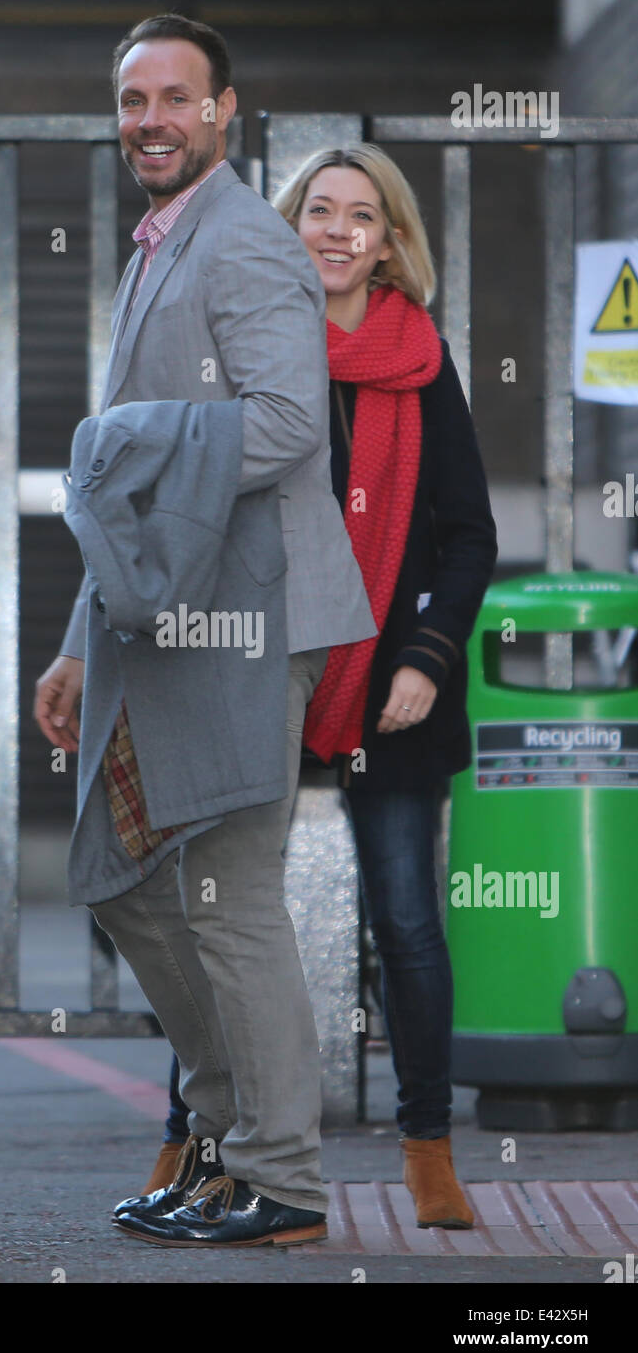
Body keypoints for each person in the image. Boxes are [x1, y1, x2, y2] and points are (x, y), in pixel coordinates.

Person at [33, 18, 375, 1249]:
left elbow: (287, 424)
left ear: (224, 112)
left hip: (252, 612)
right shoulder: (153, 248)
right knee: (122, 881)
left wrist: (117, 440)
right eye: (132, 101)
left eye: (176, 98)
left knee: (228, 897)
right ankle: (227, 1144)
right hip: (161, 621)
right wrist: (82, 639)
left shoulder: (245, 245)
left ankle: (279, 1179)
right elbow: (136, 486)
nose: (152, 120)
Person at [158, 143, 498, 1230]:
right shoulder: (254, 340)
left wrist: (423, 659)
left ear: (391, 241)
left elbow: (467, 535)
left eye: (363, 215)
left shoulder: (420, 358)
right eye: (317, 208)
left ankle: (427, 1148)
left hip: (388, 683)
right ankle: (197, 1137)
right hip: (261, 664)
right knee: (221, 914)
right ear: (286, 223)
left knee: (404, 920)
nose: (337, 230)